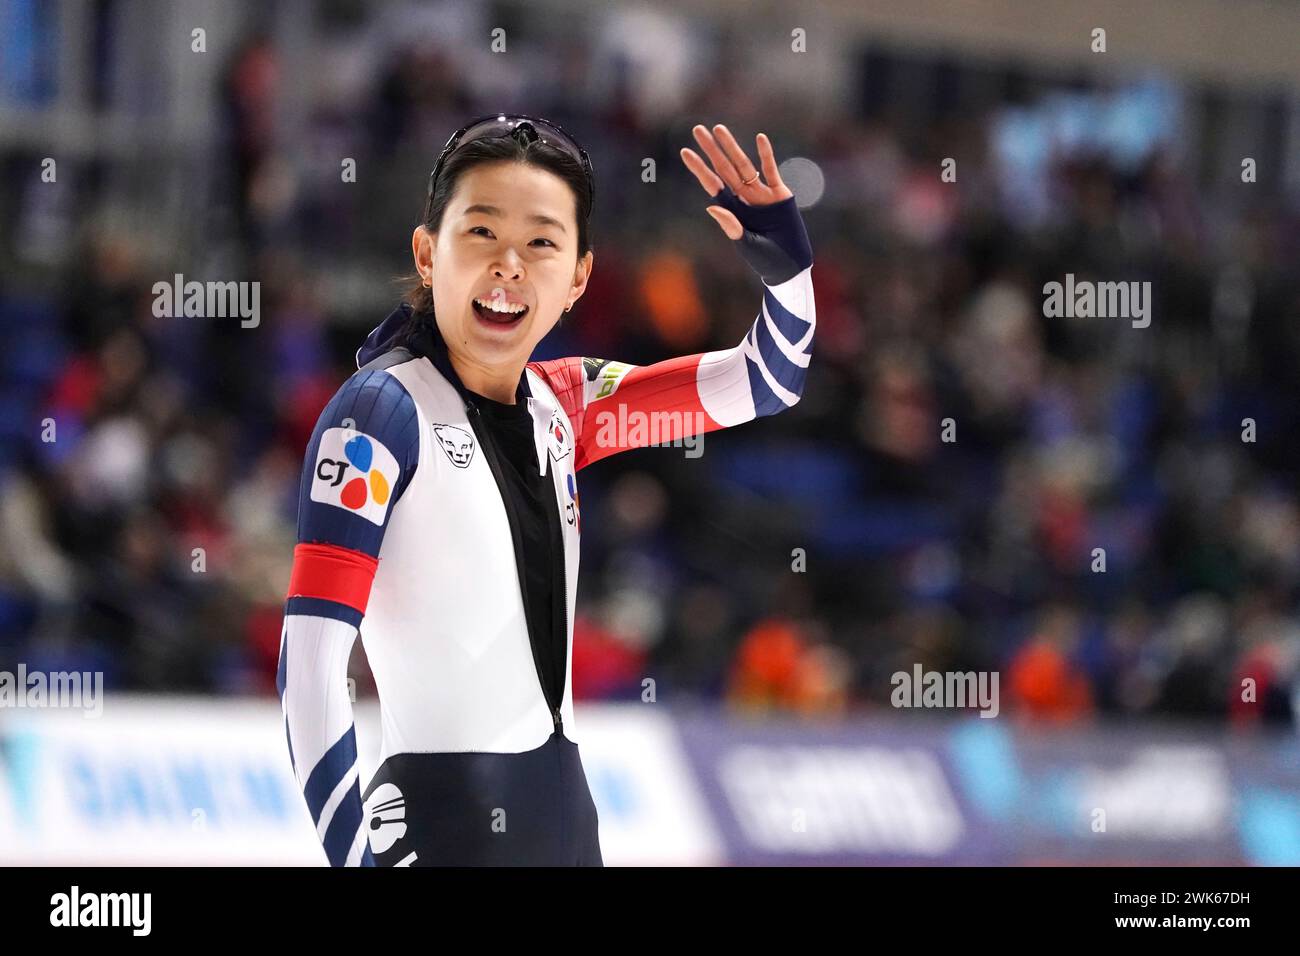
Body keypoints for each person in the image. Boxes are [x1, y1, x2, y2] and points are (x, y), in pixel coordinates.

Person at [276, 113, 816, 866]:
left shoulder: (567, 404)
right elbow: (308, 661)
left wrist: (789, 274)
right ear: (428, 254)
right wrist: (352, 858)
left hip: (566, 827)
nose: (509, 266)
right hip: (444, 833)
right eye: (482, 234)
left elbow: (768, 380)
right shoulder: (379, 415)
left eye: (541, 242)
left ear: (579, 279)